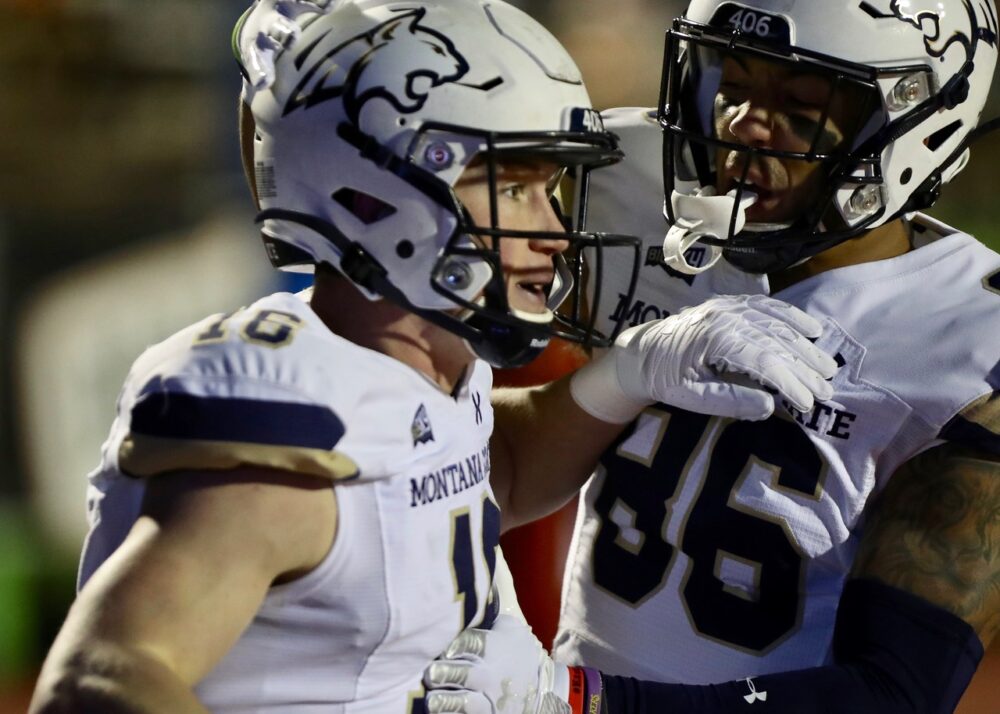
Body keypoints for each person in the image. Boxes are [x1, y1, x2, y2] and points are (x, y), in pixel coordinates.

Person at [28, 1, 837, 712]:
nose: (551, 232)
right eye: (515, 188)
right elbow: (103, 680)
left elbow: (485, 481)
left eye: (550, 190)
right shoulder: (289, 426)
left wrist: (629, 374)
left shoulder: (423, 366)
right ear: (384, 196)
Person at [423, 0, 1000, 712]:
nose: (741, 123)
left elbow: (888, 695)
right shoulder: (628, 198)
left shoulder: (974, 347)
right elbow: (450, 448)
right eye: (733, 82)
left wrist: (580, 701)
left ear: (916, 122)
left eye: (800, 100)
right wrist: (621, 372)